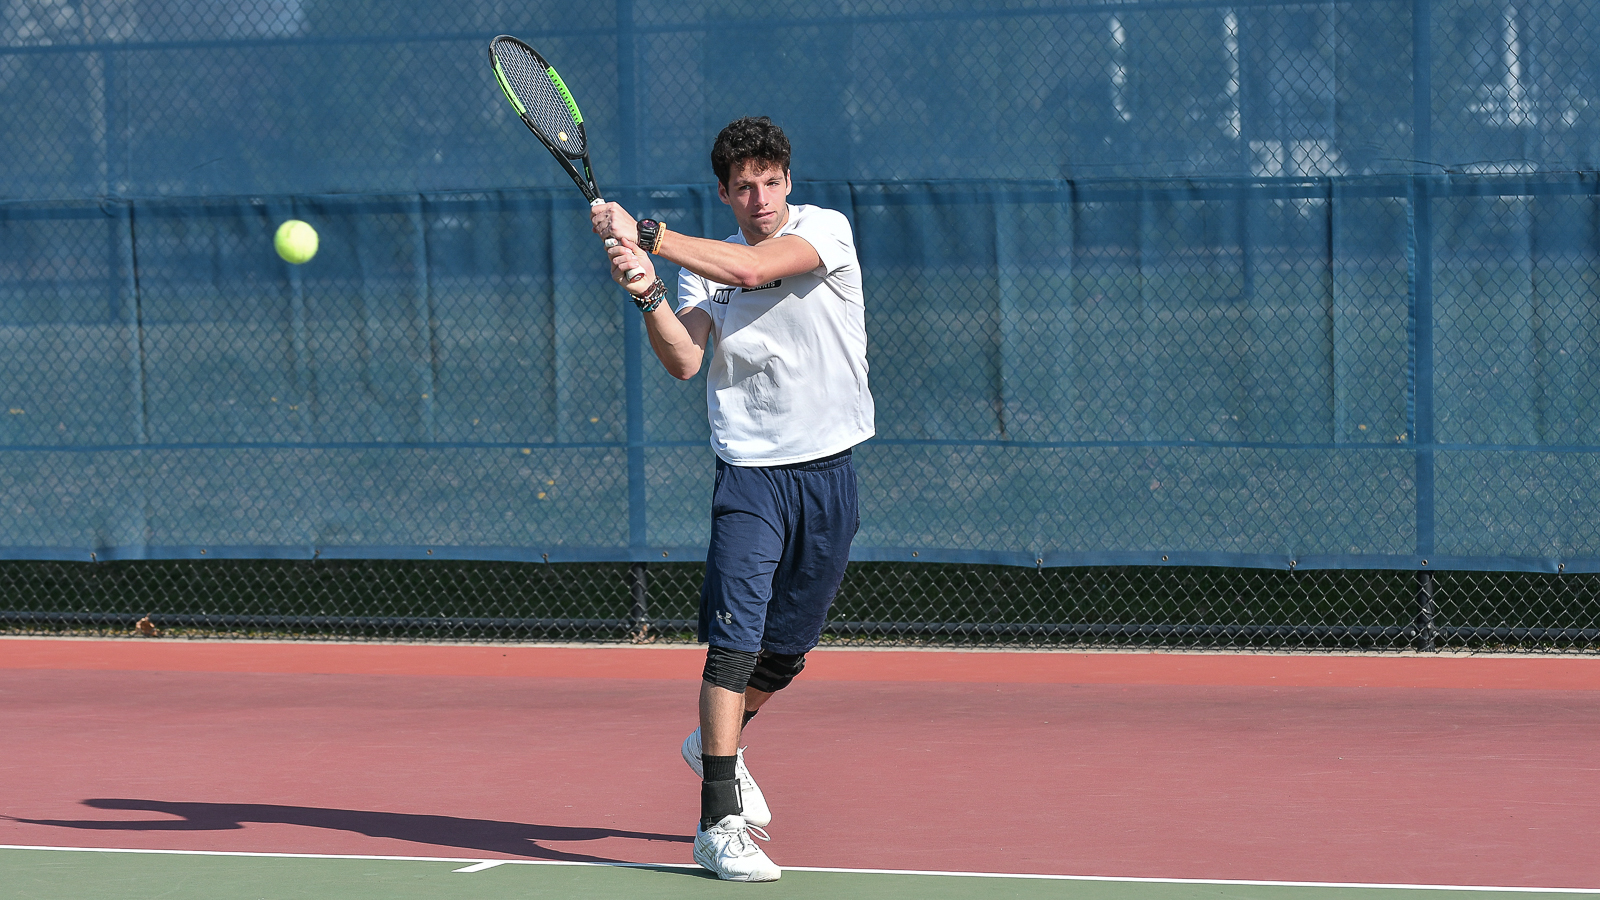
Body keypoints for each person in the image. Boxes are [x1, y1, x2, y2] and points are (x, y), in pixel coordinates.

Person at [590, 116, 873, 882]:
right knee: (736, 640)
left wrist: (647, 233)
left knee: (787, 652)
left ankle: (717, 739)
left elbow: (756, 272)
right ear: (725, 192)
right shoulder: (701, 267)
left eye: (770, 180)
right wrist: (648, 293)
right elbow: (684, 360)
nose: (759, 197)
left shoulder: (825, 231)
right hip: (749, 472)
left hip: (829, 471)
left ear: (788, 181)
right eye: (743, 186)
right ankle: (718, 823)